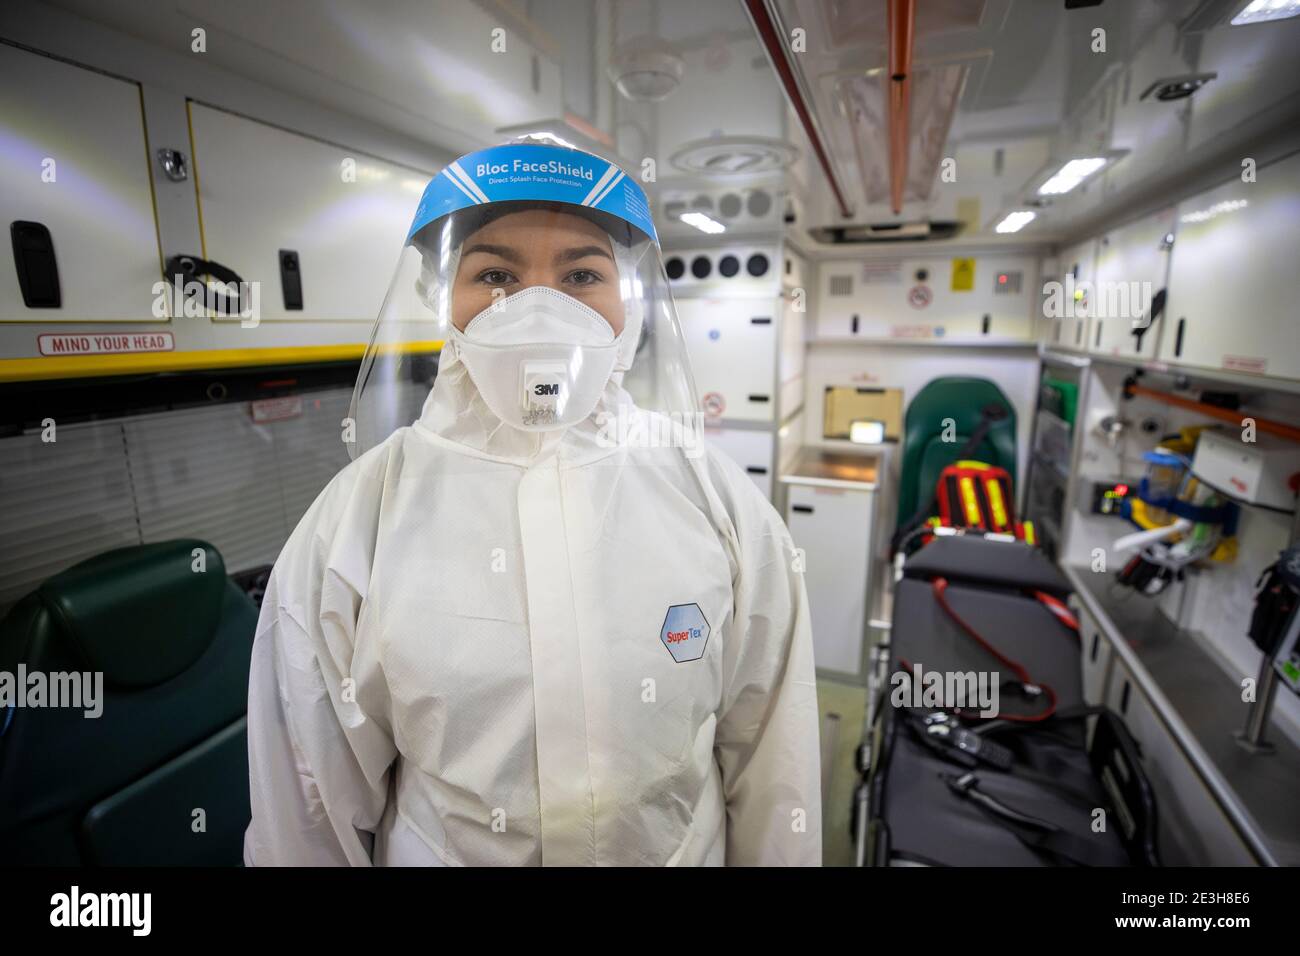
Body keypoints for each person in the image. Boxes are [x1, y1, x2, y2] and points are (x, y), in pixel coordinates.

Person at [244, 138, 822, 866]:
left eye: (582, 273)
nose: (539, 309)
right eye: (494, 274)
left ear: (628, 302)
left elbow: (775, 761)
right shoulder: (355, 522)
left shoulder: (714, 497)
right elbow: (309, 814)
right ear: (440, 299)